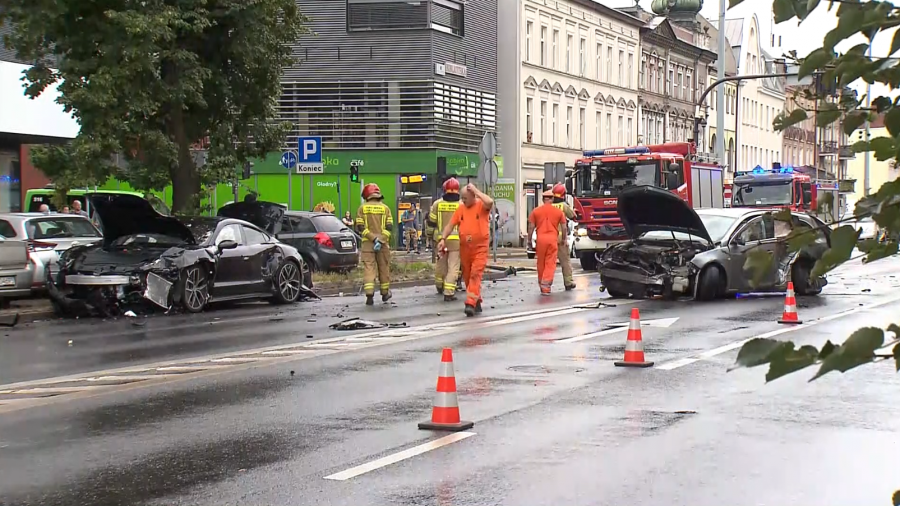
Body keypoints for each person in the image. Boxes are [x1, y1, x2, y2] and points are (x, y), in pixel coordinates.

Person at [438, 183, 493, 317]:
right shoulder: (460, 209)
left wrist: (476, 190)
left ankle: (470, 303)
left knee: (475, 273)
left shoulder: (481, 206)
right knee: (467, 275)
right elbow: (450, 225)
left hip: (480, 247)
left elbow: (490, 201)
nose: (463, 200)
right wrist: (442, 238)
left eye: (465, 198)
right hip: (465, 248)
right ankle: (476, 300)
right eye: (462, 198)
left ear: (473, 196)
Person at [355, 183, 393, 305]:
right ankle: (385, 293)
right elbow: (389, 227)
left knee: (369, 268)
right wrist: (381, 239)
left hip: (367, 244)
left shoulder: (362, 208)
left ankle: (369, 294)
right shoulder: (385, 208)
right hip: (383, 244)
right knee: (384, 268)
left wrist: (372, 238)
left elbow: (360, 227)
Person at [427, 178, 462, 301]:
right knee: (453, 266)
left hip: (441, 239)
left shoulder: (437, 204)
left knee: (440, 264)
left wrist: (429, 235)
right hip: (457, 241)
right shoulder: (461, 205)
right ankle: (449, 292)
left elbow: (431, 222)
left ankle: (439, 285)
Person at [528, 190, 566, 295]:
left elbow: (531, 227)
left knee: (541, 262)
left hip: (541, 240)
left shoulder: (536, 211)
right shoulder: (559, 212)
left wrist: (529, 241)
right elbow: (564, 227)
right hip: (552, 239)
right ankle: (546, 286)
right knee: (550, 262)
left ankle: (541, 283)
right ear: (552, 199)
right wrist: (563, 239)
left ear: (542, 199)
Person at [551, 184, 577, 290]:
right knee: (565, 261)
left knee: (548, 263)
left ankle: (545, 284)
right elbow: (573, 216)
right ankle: (568, 282)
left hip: (548, 238)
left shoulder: (548, 206)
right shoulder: (563, 206)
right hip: (560, 239)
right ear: (563, 194)